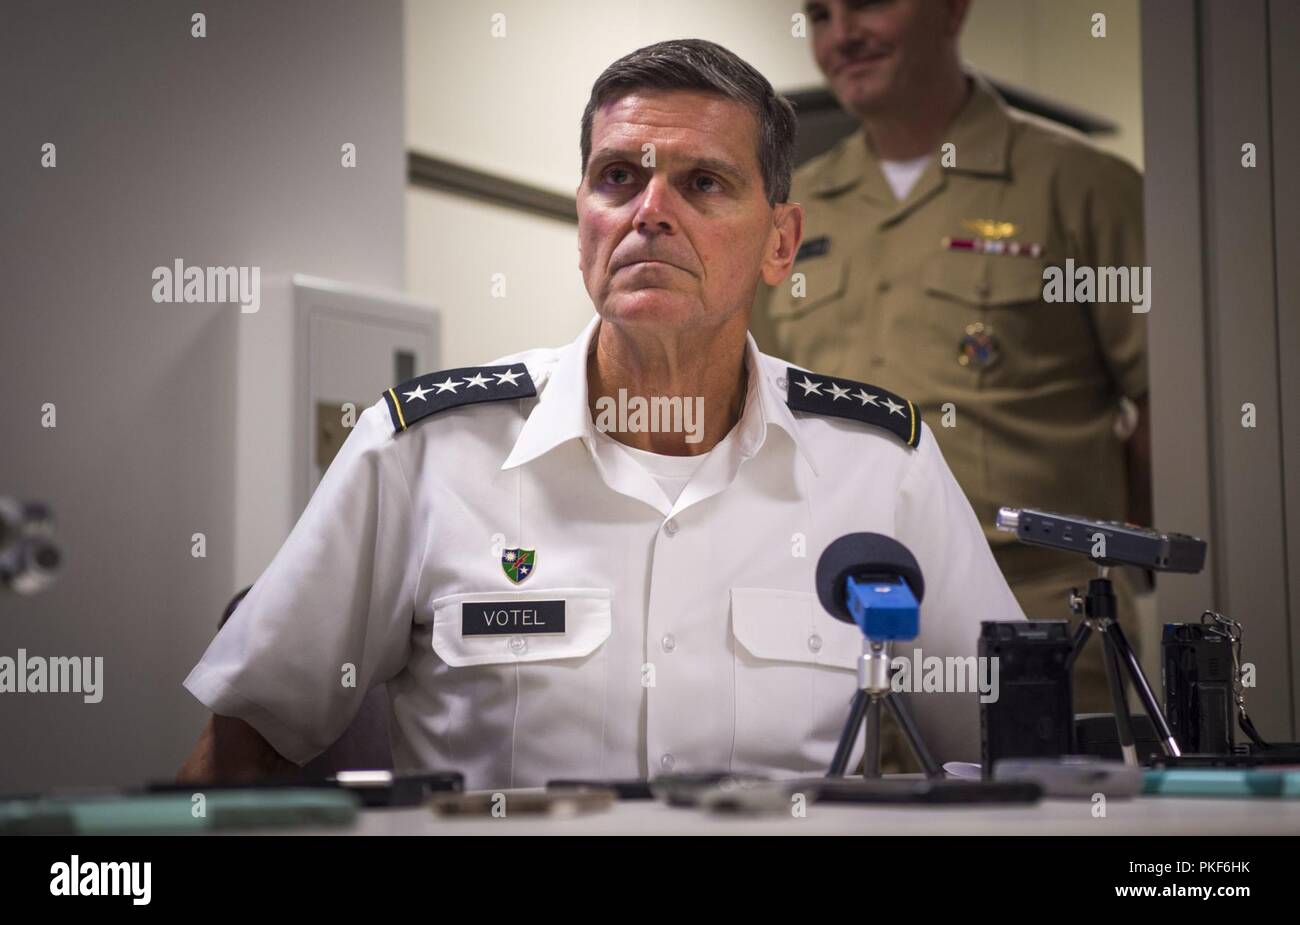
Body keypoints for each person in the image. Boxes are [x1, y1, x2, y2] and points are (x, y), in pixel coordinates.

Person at [178, 39, 1023, 790]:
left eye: (702, 183)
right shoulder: (425, 451)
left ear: (779, 242)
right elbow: (243, 750)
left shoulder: (880, 466)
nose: (650, 211)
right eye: (619, 177)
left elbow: (1008, 748)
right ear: (582, 221)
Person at [751, 0, 1149, 713]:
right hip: (836, 617)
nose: (843, 34)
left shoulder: (1084, 187)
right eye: (819, 15)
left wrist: (1131, 553)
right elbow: (758, 411)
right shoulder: (791, 209)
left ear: (953, 9)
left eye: (869, 4)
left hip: (1035, 616)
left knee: (1051, 824)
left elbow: (1169, 406)